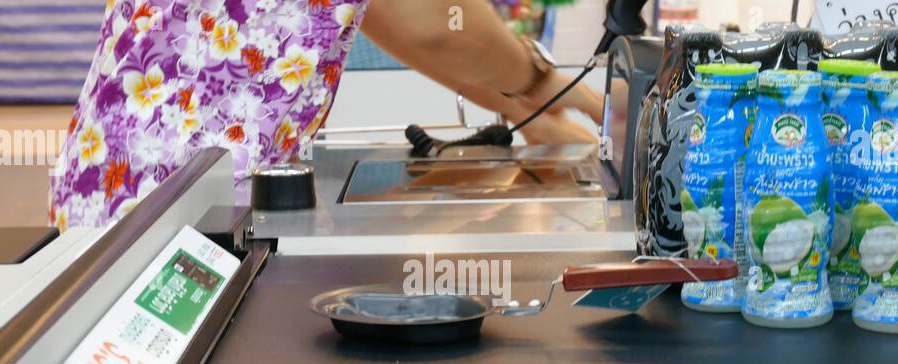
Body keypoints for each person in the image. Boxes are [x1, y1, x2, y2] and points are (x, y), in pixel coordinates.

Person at [49, 0, 604, 230]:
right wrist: (544, 85)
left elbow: (391, 17)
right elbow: (435, 24)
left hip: (112, 186)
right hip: (184, 211)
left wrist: (536, 106)